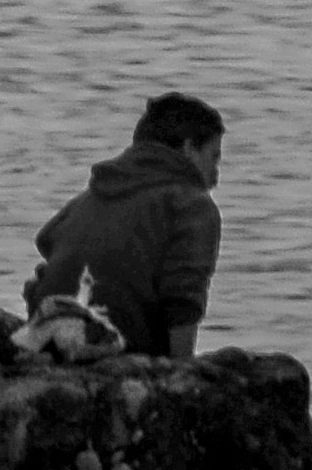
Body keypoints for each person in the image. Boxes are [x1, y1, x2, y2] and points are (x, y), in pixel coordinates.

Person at [26, 93, 225, 357]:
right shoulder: (191, 204)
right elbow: (183, 300)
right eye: (214, 157)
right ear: (189, 149)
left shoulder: (90, 197)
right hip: (124, 349)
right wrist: (181, 374)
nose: (215, 176)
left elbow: (47, 239)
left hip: (48, 342)